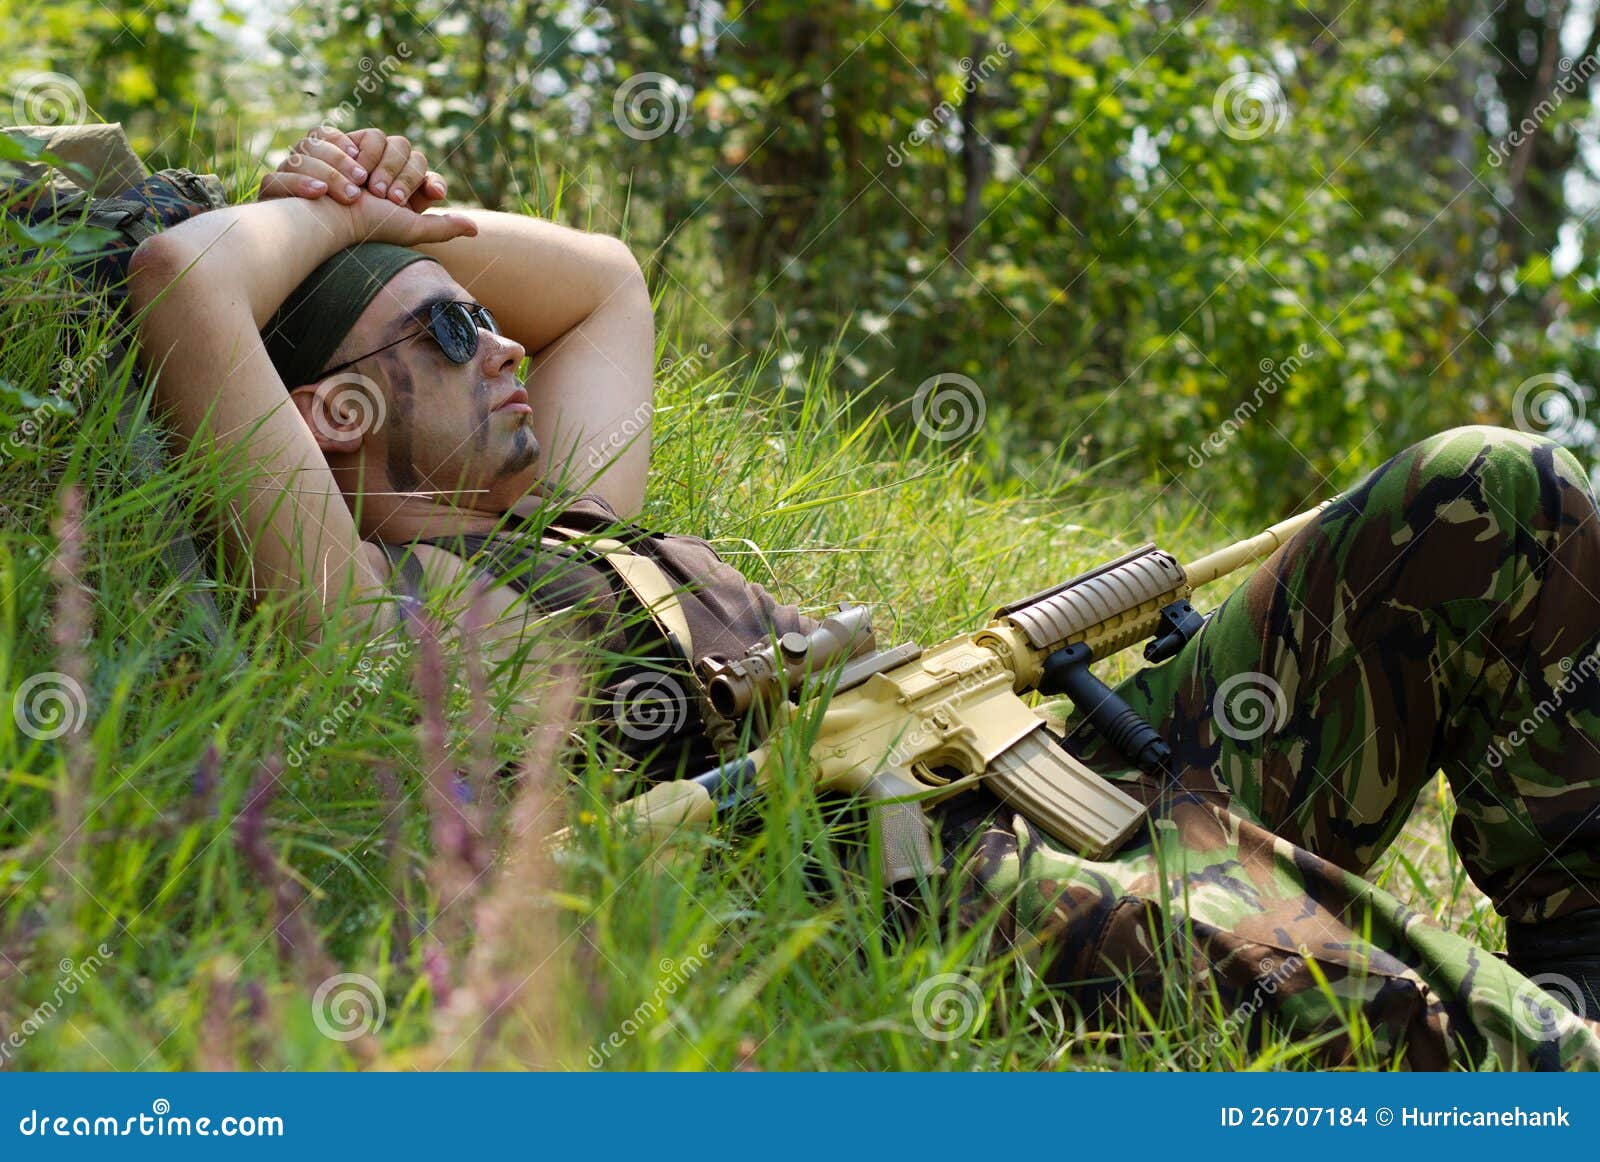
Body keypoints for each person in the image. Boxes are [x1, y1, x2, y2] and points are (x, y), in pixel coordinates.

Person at [129, 125, 1600, 1070]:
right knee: (1447, 1039)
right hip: (923, 893)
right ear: (327, 416)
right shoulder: (374, 610)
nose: (505, 341)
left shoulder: (578, 519)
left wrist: (399, 213)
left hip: (1051, 756)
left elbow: (603, 282)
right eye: (452, 330)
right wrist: (310, 219)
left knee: (1488, 490)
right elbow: (180, 279)